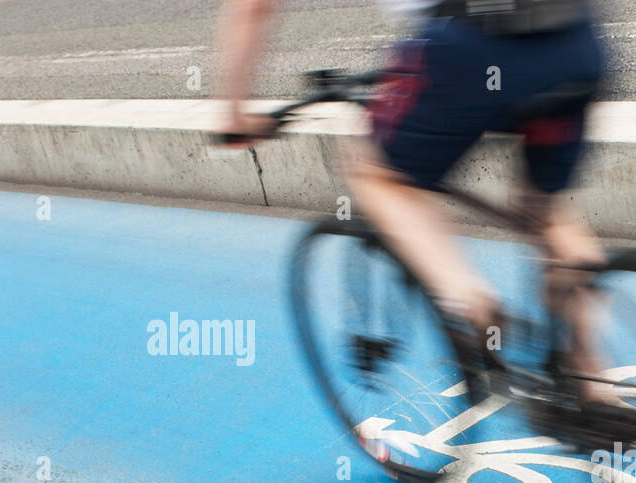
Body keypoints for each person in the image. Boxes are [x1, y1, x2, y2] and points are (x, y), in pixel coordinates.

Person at [214, 0, 609, 394]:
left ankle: (472, 302)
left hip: (471, 43)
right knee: (548, 215)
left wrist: (233, 115)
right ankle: (594, 383)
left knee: (378, 176)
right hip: (575, 40)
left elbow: (253, 6)